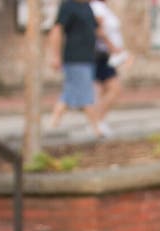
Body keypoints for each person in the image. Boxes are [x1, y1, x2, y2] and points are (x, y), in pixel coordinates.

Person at [48, 0, 104, 138]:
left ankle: (53, 124)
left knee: (69, 94)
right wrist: (55, 56)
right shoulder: (68, 6)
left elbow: (97, 30)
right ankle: (97, 129)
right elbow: (57, 30)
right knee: (86, 94)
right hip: (75, 58)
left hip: (89, 58)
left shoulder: (88, 7)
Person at [90, 0, 132, 136]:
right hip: (101, 55)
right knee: (115, 88)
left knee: (103, 90)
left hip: (105, 55)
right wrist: (113, 48)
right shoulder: (97, 7)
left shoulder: (103, 7)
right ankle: (96, 121)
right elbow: (98, 30)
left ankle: (99, 123)